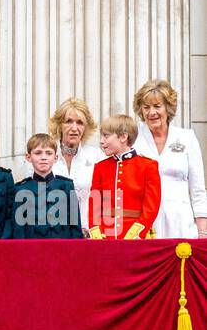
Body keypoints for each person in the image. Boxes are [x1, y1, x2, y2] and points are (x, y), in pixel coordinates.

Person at [132, 79, 207, 240]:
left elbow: (198, 190)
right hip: (144, 226)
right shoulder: (133, 140)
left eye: (157, 106)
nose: (151, 112)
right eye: (146, 107)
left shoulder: (187, 138)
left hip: (181, 224)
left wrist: (202, 232)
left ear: (168, 108)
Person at [87, 114, 161, 240]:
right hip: (106, 235)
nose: (101, 141)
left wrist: (137, 232)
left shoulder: (148, 166)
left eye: (106, 136)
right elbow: (95, 202)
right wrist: (95, 229)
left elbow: (151, 206)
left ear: (123, 137)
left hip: (134, 235)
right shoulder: (100, 167)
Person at [12, 133, 81, 239]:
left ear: (56, 157)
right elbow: (18, 232)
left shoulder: (67, 186)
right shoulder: (21, 189)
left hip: (63, 252)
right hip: (33, 252)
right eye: (38, 153)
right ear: (28, 157)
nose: (43, 157)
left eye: (48, 153)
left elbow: (75, 228)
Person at [48, 97, 103, 228]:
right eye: (68, 122)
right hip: (53, 234)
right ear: (59, 125)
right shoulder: (45, 156)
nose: (74, 128)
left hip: (88, 233)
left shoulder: (97, 157)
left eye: (80, 123)